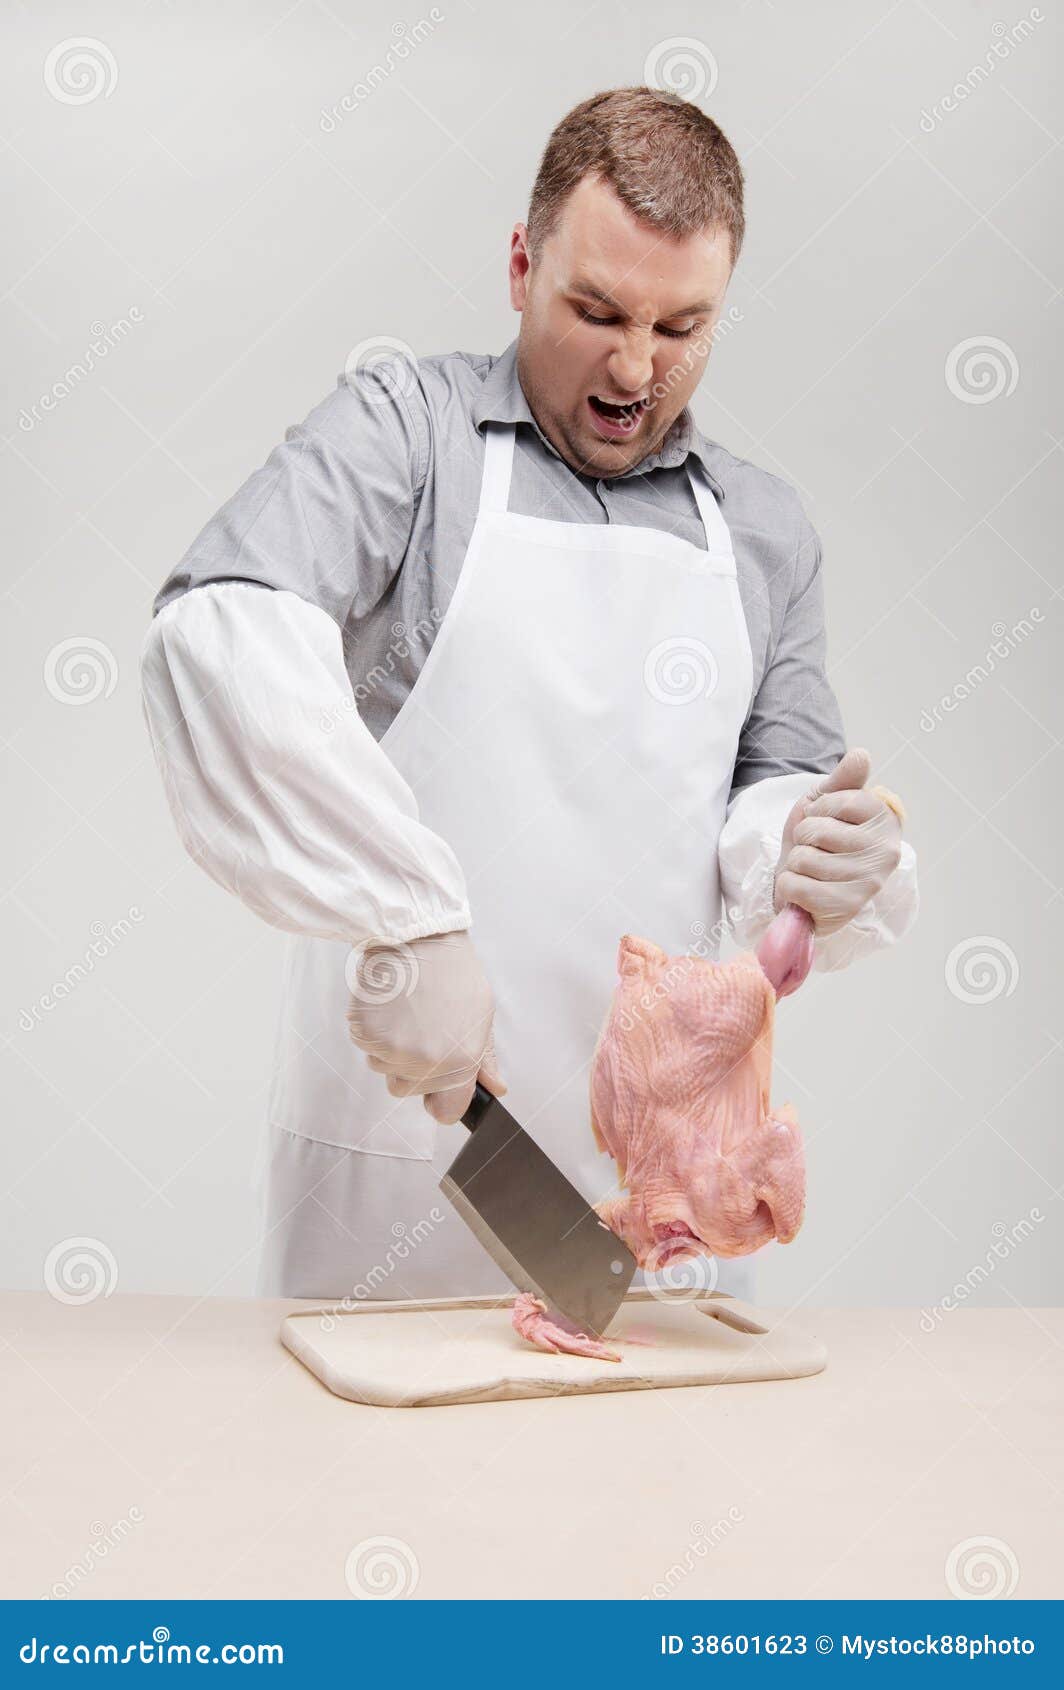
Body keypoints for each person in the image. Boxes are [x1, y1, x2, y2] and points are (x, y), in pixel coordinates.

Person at [141, 87, 918, 1305]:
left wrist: (812, 858)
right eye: (595, 311)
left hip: (655, 1216)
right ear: (520, 266)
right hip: (394, 1179)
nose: (634, 367)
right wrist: (407, 914)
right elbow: (216, 634)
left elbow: (769, 799)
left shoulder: (761, 529)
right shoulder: (407, 437)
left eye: (681, 326)